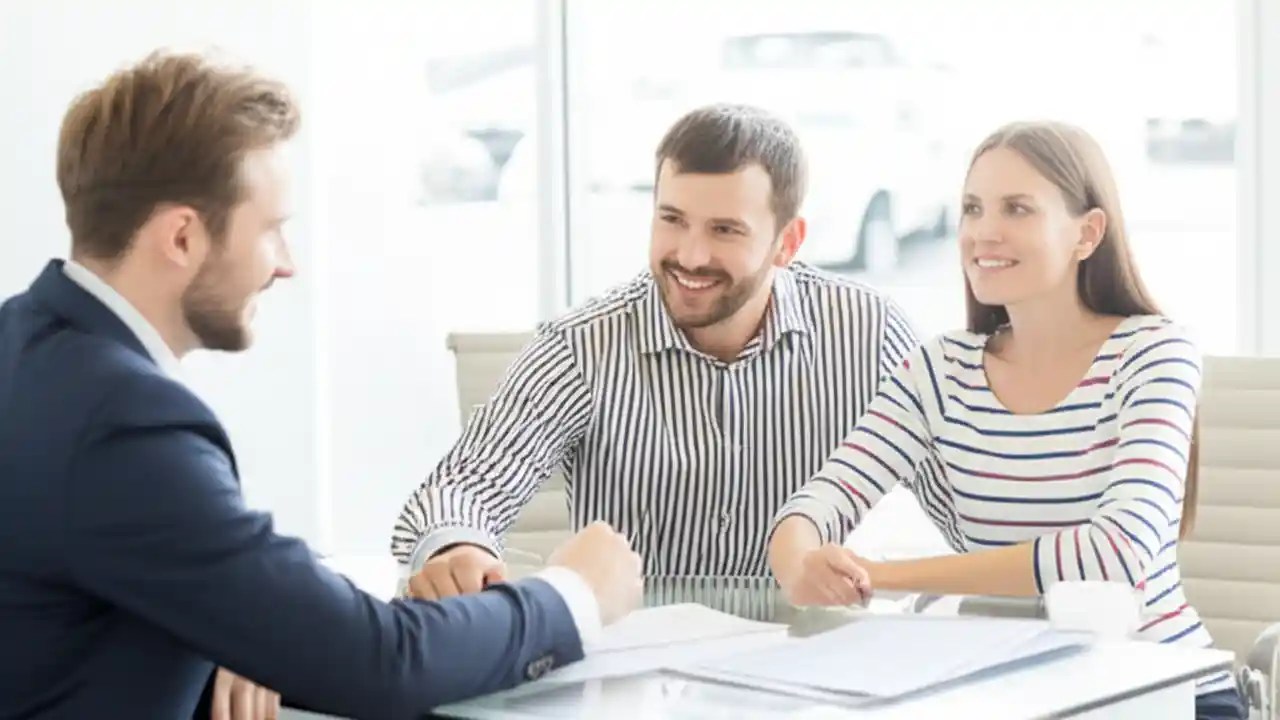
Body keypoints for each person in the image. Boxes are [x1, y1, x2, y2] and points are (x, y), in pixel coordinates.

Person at [0, 50, 642, 720]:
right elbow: (376, 661)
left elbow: (131, 570)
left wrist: (240, 628)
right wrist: (574, 596)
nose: (287, 266)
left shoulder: (27, 348)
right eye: (272, 231)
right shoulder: (123, 421)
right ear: (183, 237)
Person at [767, 120, 1245, 719]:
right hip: (1006, 695)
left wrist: (885, 576)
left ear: (1087, 233)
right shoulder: (941, 368)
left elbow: (1114, 554)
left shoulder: (1154, 353)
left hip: (1164, 694)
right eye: (972, 208)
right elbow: (815, 504)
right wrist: (801, 562)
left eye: (1017, 208)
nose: (983, 232)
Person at [391, 102, 953, 599]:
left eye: (725, 230)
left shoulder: (868, 333)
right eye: (672, 220)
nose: (689, 254)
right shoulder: (580, 346)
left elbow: (963, 489)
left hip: (801, 659)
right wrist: (455, 548)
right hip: (630, 672)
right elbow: (466, 486)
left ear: (787, 243)